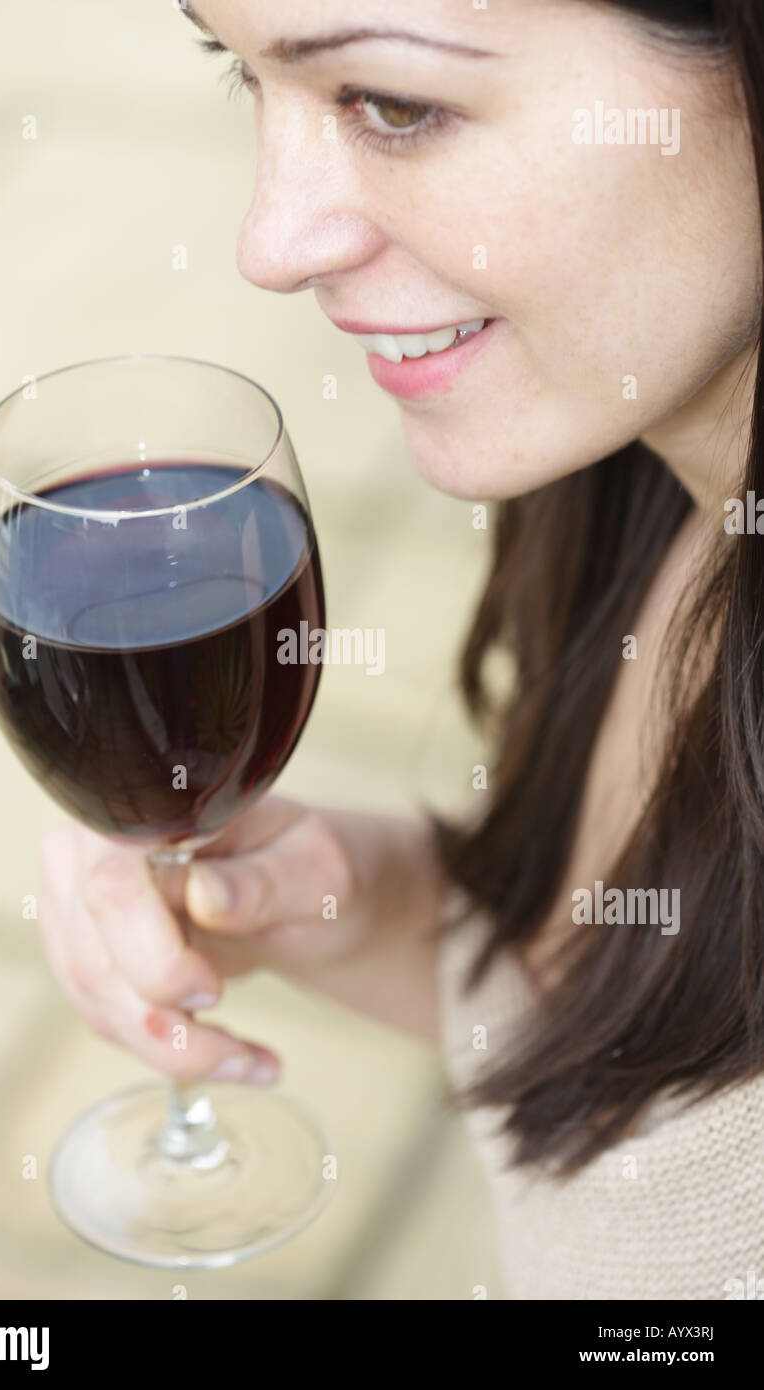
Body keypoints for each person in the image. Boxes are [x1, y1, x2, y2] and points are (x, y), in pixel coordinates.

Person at [38, 0, 764, 1298]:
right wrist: (381, 912)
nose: (269, 240)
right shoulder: (649, 492)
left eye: (394, 101)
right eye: (238, 68)